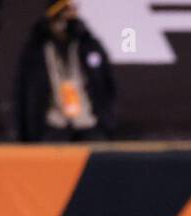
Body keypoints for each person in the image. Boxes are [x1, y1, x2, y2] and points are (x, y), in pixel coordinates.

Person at [16, 0, 116, 142]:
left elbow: (107, 86)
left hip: (88, 122)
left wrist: (107, 121)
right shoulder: (36, 51)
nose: (68, 22)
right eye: (64, 17)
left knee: (98, 153)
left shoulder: (88, 46)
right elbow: (25, 92)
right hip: (54, 124)